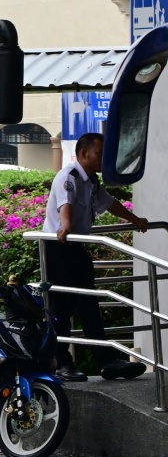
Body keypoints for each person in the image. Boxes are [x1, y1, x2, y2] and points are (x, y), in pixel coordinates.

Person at [44, 132, 150, 381]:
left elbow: (109, 203)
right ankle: (61, 363)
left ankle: (106, 361)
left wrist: (135, 220)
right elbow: (65, 204)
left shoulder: (91, 181)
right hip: (59, 247)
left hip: (78, 248)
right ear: (83, 154)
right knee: (61, 307)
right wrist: (66, 225)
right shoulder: (68, 177)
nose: (103, 159)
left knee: (89, 305)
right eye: (99, 154)